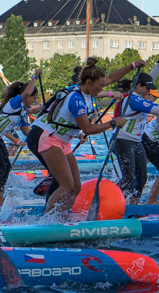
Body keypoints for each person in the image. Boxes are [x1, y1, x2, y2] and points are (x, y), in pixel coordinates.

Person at [26, 58, 140, 201]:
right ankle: (49, 216)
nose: (102, 88)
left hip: (60, 136)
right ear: (88, 81)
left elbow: (109, 79)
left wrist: (133, 65)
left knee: (72, 185)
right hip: (42, 133)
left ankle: (61, 214)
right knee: (63, 182)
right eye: (100, 85)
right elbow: (87, 127)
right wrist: (112, 122)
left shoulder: (86, 93)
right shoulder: (76, 95)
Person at [115, 56, 159, 203]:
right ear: (138, 86)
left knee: (141, 178)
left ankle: (133, 206)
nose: (149, 91)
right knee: (128, 178)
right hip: (123, 141)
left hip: (137, 142)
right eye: (147, 88)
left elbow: (149, 79)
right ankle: (107, 199)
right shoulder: (133, 100)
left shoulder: (139, 92)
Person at [0, 69, 41, 206]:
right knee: (0, 167)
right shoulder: (13, 103)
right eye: (33, 98)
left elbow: (26, 131)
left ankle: (0, 195)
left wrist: (41, 138)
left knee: (7, 165)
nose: (34, 101)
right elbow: (27, 93)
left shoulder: (22, 111)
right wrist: (35, 76)